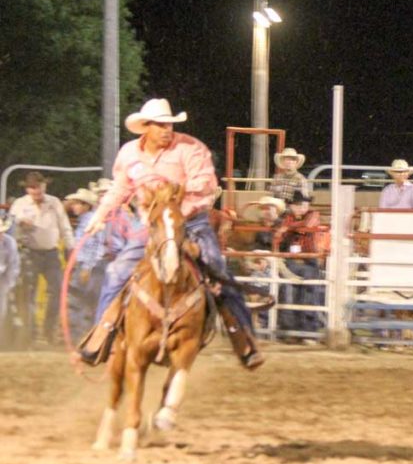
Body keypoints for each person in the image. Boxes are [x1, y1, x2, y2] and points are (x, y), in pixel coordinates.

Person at [78, 98, 265, 369]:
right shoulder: (129, 154)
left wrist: (174, 191)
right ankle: (101, 334)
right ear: (146, 127)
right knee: (116, 272)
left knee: (219, 271)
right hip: (152, 226)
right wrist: (99, 216)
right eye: (161, 125)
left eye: (169, 124)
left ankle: (245, 339)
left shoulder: (190, 148)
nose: (167, 129)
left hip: (191, 222)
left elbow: (207, 184)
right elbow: (121, 188)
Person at [9, 171, 74, 344]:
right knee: (29, 293)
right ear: (28, 189)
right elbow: (10, 227)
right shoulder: (20, 204)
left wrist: (70, 247)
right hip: (29, 252)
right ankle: (31, 334)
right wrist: (19, 224)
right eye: (32, 188)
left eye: (38, 187)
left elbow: (64, 226)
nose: (36, 191)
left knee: (58, 290)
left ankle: (47, 329)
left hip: (51, 252)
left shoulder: (54, 203)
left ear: (44, 186)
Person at [276, 191, 327, 336]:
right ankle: (290, 330)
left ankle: (308, 330)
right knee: (289, 293)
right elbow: (286, 231)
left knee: (308, 293)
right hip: (294, 260)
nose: (300, 208)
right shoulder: (288, 217)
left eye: (303, 204)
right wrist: (289, 228)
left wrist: (288, 228)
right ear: (291, 206)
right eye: (297, 205)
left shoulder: (312, 214)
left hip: (309, 260)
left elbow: (308, 224)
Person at [65, 188, 106, 339]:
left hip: (89, 267)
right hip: (84, 265)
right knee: (82, 301)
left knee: (84, 301)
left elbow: (98, 244)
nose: (74, 206)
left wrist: (87, 267)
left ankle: (83, 335)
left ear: (86, 205)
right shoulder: (86, 220)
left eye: (77, 204)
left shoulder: (91, 220)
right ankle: (81, 334)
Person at [0, 212, 19, 338]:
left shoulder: (9, 242)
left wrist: (8, 284)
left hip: (2, 279)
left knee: (1, 308)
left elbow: (13, 265)